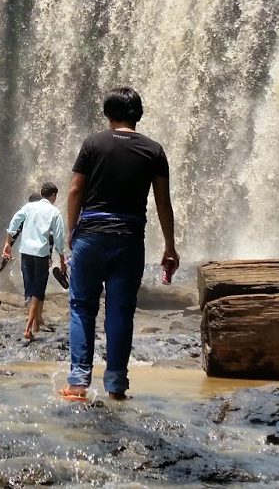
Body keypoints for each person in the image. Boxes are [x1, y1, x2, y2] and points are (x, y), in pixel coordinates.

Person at [62, 87, 178, 401]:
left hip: (91, 235)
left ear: (108, 114)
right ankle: (116, 387)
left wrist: (71, 232)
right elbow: (163, 203)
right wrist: (169, 246)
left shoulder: (93, 143)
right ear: (138, 115)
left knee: (82, 308)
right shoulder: (154, 150)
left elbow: (74, 190)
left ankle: (77, 384)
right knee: (121, 312)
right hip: (129, 239)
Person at [2, 181, 67, 342]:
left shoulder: (28, 207)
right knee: (38, 290)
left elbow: (15, 221)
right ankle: (28, 328)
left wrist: (8, 242)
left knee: (29, 287)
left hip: (25, 252)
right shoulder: (54, 212)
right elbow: (59, 238)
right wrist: (62, 258)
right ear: (53, 195)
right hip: (41, 254)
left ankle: (36, 324)